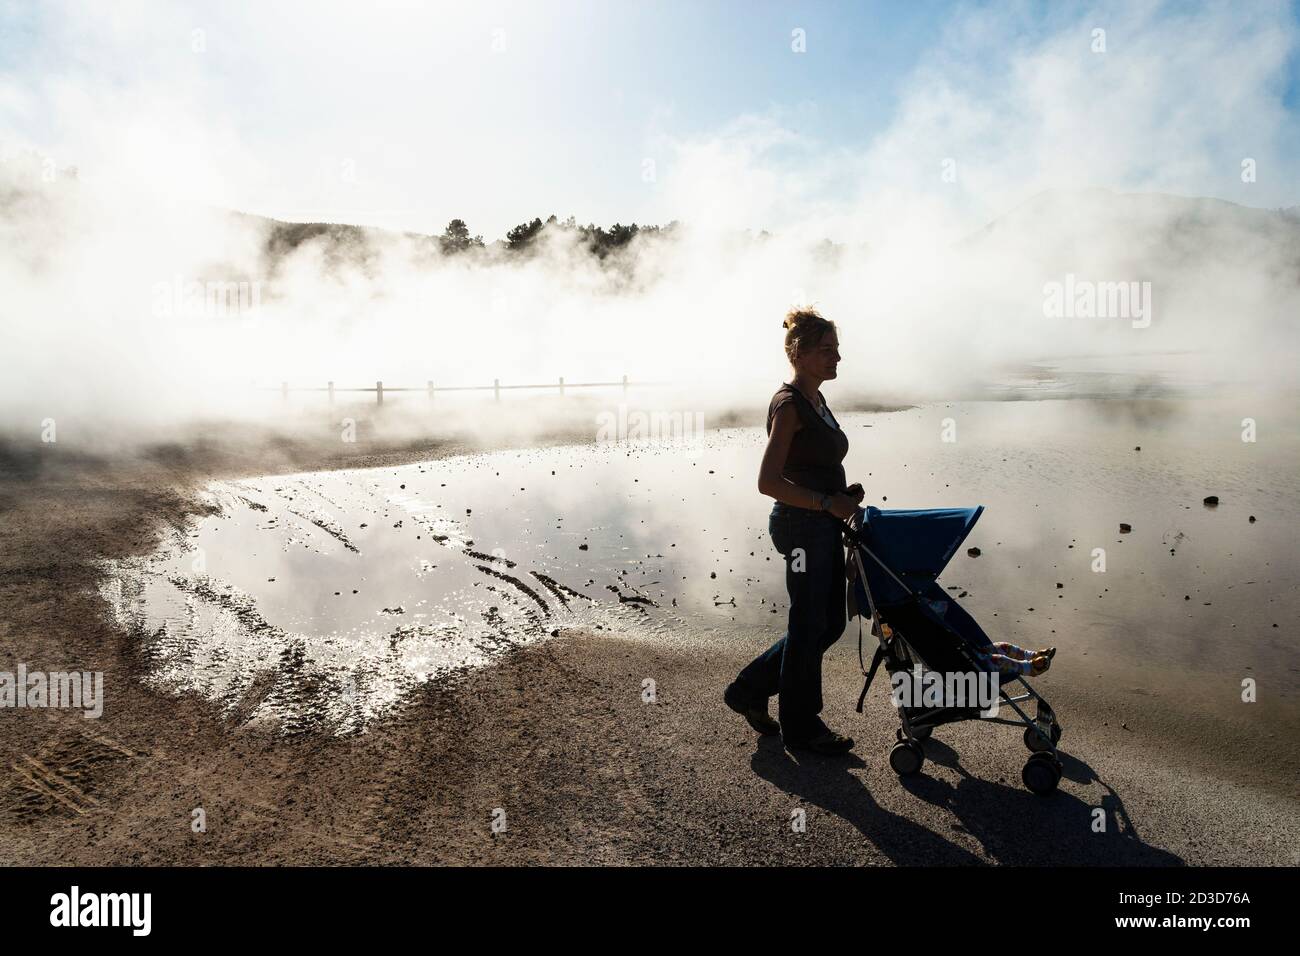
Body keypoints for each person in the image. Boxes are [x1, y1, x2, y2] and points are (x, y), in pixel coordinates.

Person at [724, 307, 864, 755]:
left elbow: (813, 465)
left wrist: (841, 495)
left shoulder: (817, 401)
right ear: (798, 352)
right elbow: (768, 482)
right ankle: (801, 726)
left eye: (837, 350)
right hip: (801, 527)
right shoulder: (788, 405)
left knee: (827, 624)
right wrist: (827, 501)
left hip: (821, 524)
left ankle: (748, 689)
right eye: (827, 351)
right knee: (809, 625)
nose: (836, 358)